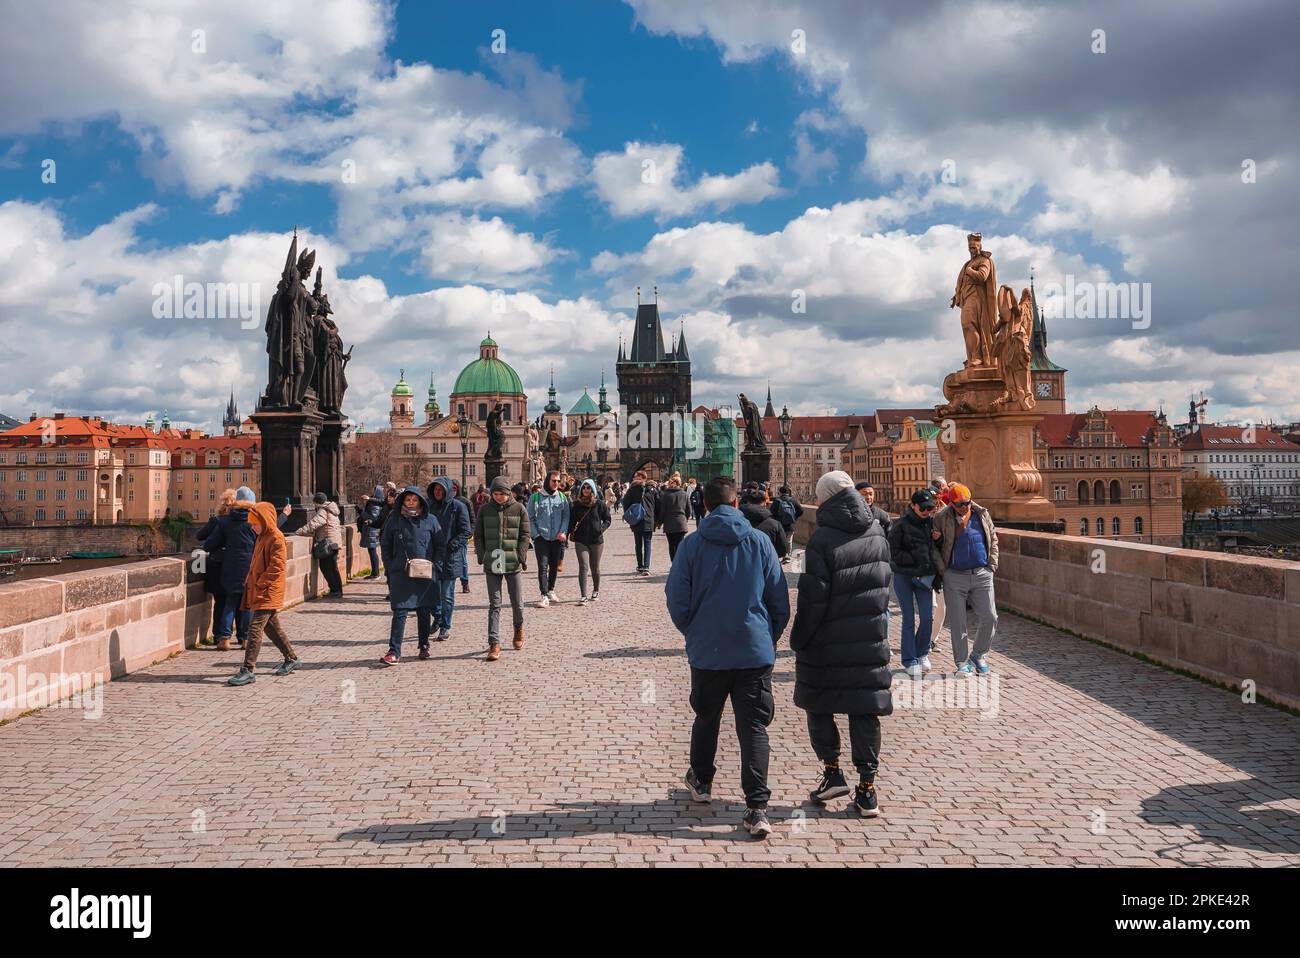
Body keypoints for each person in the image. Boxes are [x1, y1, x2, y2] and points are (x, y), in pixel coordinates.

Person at [666, 476, 789, 839]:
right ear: (737, 503)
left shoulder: (691, 545)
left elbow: (677, 599)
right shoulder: (761, 541)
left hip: (708, 652)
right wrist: (767, 636)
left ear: (703, 506)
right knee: (753, 728)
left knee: (707, 717)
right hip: (754, 651)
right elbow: (779, 601)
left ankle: (701, 782)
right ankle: (756, 808)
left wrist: (695, 631)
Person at [790, 470, 892, 817]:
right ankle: (867, 789)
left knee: (818, 702)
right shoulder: (877, 531)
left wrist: (799, 638)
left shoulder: (822, 539)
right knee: (864, 708)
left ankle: (832, 772)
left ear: (827, 499)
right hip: (869, 638)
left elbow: (812, 599)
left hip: (827, 641)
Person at [228, 501, 300, 685]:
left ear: (265, 521)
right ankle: (291, 658)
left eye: (254, 523)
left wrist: (260, 582)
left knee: (255, 628)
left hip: (268, 590)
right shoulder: (262, 536)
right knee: (272, 627)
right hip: (261, 589)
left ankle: (248, 669)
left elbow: (277, 567)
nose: (252, 527)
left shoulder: (276, 537)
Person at [932, 483, 999, 676]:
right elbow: (934, 548)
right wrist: (943, 570)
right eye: (960, 504)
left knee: (990, 617)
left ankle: (978, 655)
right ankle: (961, 662)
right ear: (951, 503)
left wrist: (991, 566)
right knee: (958, 622)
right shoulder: (941, 517)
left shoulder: (981, 514)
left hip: (981, 573)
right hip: (954, 575)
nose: (964, 507)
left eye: (967, 503)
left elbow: (993, 538)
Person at [380, 486, 448, 665]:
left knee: (423, 610)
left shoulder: (431, 520)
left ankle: (424, 644)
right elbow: (385, 544)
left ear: (420, 502)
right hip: (400, 573)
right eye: (407, 499)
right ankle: (394, 650)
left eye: (414, 500)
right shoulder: (394, 519)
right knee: (400, 611)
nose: (410, 503)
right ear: (402, 501)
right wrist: (389, 567)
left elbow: (440, 545)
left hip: (425, 573)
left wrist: (437, 566)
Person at [474, 476, 531, 661]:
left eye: (502, 494)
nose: (499, 497)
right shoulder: (485, 510)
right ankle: (494, 642)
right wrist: (482, 555)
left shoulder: (519, 509)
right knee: (495, 604)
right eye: (496, 494)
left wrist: (521, 555)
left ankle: (518, 628)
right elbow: (479, 535)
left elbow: (525, 534)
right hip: (492, 562)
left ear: (509, 494)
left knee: (517, 602)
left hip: (512, 561)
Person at [888, 489, 943, 679]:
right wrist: (914, 558)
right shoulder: (900, 525)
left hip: (925, 577)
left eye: (930, 508)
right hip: (904, 576)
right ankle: (909, 660)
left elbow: (939, 551)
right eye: (923, 508)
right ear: (913, 506)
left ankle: (922, 653)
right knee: (909, 618)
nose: (927, 511)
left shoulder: (933, 524)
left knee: (928, 617)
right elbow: (893, 553)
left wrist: (939, 539)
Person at [198, 487, 256, 651]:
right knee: (247, 605)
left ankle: (224, 638)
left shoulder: (225, 522)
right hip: (250, 567)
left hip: (230, 567)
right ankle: (245, 639)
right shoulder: (255, 522)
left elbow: (208, 545)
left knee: (229, 602)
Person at [427, 477, 471, 642]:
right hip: (432, 556)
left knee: (446, 594)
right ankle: (437, 617)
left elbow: (466, 530)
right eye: (435, 489)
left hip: (450, 557)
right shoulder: (429, 506)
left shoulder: (457, 507)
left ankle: (445, 625)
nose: (438, 492)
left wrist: (453, 544)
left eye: (440, 489)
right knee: (432, 593)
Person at [528, 470, 570, 606]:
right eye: (554, 481)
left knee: (554, 565)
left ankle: (551, 590)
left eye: (558, 481)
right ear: (547, 481)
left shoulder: (562, 498)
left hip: (557, 537)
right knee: (542, 566)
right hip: (542, 537)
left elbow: (566, 517)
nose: (556, 483)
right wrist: (536, 535)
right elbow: (530, 518)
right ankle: (544, 594)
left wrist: (563, 532)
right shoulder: (535, 497)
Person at [294, 492, 344, 597]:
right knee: (333, 567)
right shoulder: (332, 509)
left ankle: (335, 591)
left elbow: (314, 523)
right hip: (334, 542)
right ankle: (337, 590)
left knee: (326, 567)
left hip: (328, 543)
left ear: (317, 502)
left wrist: (299, 531)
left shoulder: (323, 510)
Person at [569, 478, 610, 604]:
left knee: (595, 567)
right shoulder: (576, 504)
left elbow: (607, 520)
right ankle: (583, 595)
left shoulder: (599, 504)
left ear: (592, 489)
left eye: (588, 488)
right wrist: (567, 533)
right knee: (583, 566)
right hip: (581, 540)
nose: (586, 490)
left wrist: (600, 529)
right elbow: (572, 521)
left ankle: (596, 590)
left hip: (596, 540)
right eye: (584, 487)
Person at [739, 485, 789, 559]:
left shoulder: (736, 521)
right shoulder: (775, 524)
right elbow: (783, 550)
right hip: (765, 563)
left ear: (748, 502)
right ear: (764, 503)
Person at [622, 471, 657, 576]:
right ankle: (646, 567)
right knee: (647, 544)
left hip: (636, 520)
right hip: (648, 520)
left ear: (641, 477)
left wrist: (629, 515)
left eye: (636, 476)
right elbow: (658, 503)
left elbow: (625, 503)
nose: (633, 478)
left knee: (638, 544)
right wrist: (656, 518)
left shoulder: (632, 490)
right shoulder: (652, 490)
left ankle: (640, 566)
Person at [656, 472, 692, 561]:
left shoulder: (666, 495)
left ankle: (674, 564)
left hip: (669, 523)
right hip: (681, 523)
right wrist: (685, 519)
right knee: (680, 546)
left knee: (671, 545)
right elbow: (689, 510)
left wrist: (659, 523)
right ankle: (679, 564)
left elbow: (663, 511)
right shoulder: (684, 494)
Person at [451, 480, 474, 593]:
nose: (452, 492)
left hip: (461, 536)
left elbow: (472, 519)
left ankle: (465, 583)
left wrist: (470, 532)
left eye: (454, 489)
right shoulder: (443, 502)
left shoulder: (465, 502)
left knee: (463, 561)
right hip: (448, 536)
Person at [358, 485, 385, 579]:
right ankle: (375, 573)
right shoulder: (375, 503)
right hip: (371, 529)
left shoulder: (374, 504)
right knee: (372, 551)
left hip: (371, 530)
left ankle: (375, 573)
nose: (371, 491)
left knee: (372, 551)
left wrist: (361, 512)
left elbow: (372, 517)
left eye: (374, 490)